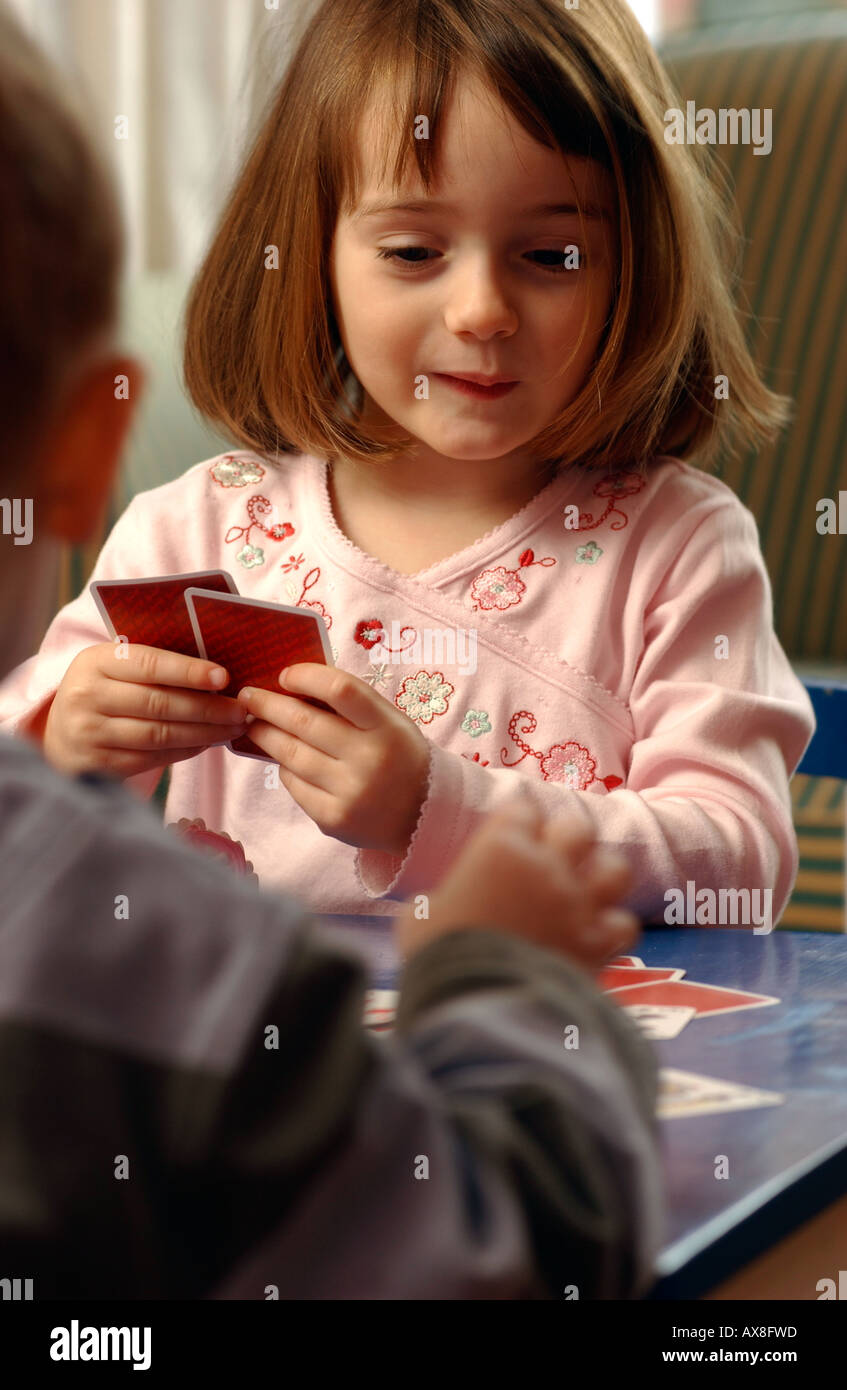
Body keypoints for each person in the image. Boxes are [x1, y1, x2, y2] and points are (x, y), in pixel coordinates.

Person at [0, 0, 661, 1300]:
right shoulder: (194, 525)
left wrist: (439, 809)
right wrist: (62, 734)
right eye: (413, 247)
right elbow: (513, 1259)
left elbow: (739, 831)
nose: (479, 311)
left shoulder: (668, 535)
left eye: (550, 254)